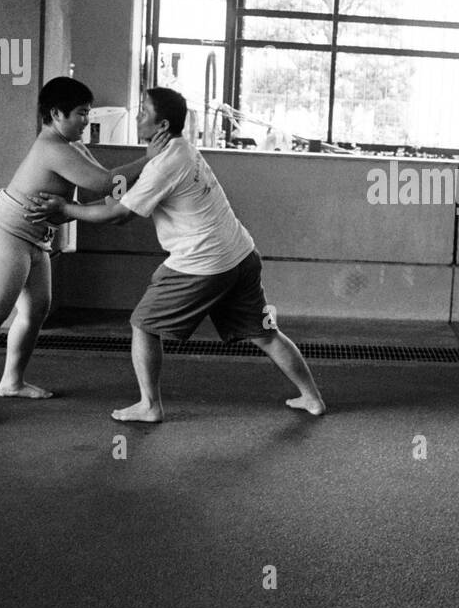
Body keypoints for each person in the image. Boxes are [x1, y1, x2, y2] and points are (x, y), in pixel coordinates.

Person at [28, 87, 326, 423]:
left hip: (203, 263)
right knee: (265, 333)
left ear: (162, 125)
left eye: (144, 112)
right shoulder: (182, 149)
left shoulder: (165, 163)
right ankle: (312, 398)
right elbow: (121, 199)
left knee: (143, 325)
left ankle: (149, 406)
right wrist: (72, 210)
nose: (138, 116)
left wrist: (66, 208)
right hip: (240, 254)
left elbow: (119, 214)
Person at [0, 77, 168, 430]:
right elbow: (106, 184)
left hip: (35, 238)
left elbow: (100, 184)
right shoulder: (51, 146)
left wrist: (86, 207)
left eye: (87, 113)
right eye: (81, 113)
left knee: (34, 311)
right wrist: (149, 159)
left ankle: (11, 381)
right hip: (5, 234)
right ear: (56, 113)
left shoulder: (70, 144)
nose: (86, 120)